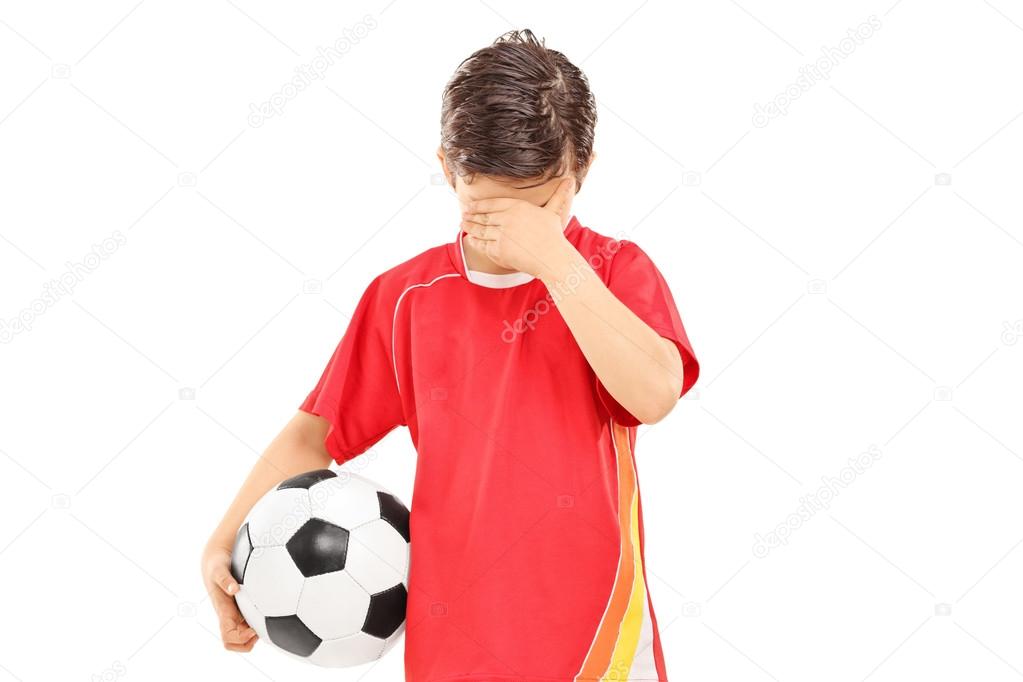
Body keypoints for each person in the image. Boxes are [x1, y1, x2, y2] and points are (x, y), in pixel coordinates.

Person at [201, 28, 699, 682]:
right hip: (455, 652)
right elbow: (312, 437)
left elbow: (655, 392)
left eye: (538, 207)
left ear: (581, 173)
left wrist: (556, 263)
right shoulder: (405, 298)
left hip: (597, 644)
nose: (514, 233)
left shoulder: (611, 271)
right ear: (447, 170)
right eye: (488, 208)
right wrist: (221, 543)